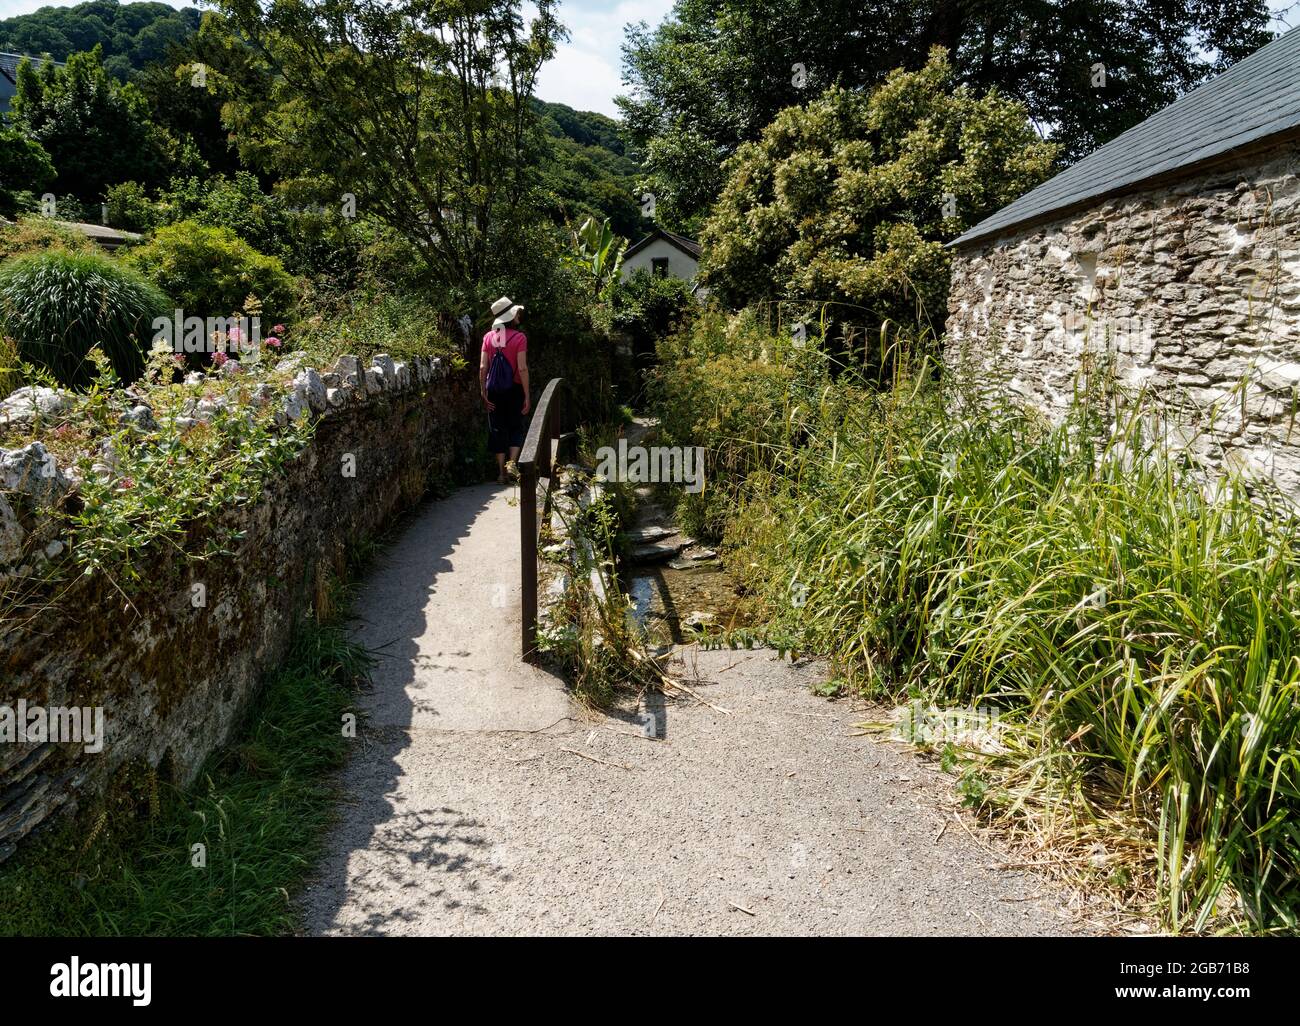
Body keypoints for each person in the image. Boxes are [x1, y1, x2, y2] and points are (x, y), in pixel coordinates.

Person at [480, 296, 531, 484]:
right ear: (511, 316)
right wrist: (527, 394)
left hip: (494, 390)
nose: (519, 314)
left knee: (497, 428)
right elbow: (522, 368)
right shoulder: (519, 338)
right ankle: (512, 467)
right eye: (516, 312)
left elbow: (482, 367)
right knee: (515, 427)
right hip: (515, 389)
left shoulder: (488, 337)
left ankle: (501, 474)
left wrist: (483, 392)